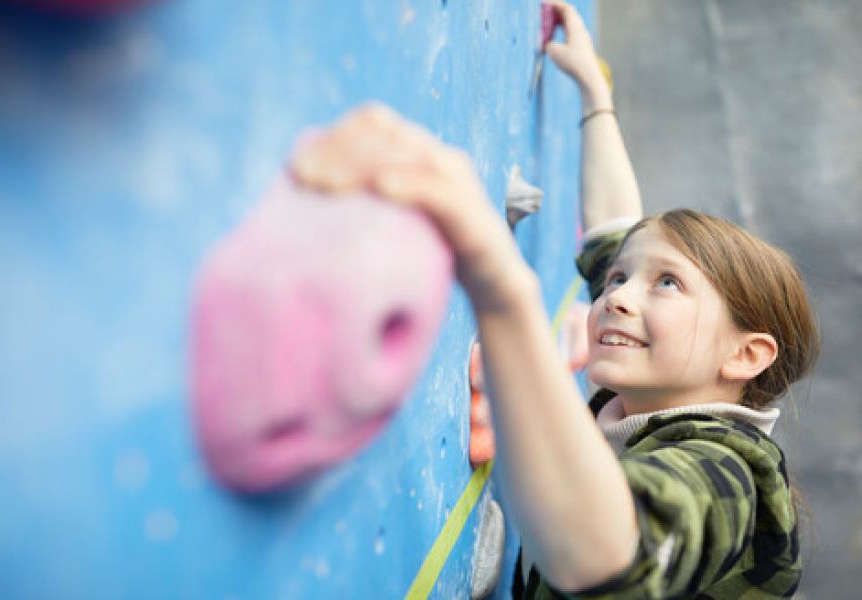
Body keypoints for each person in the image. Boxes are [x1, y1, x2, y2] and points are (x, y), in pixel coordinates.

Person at [290, 1, 820, 596]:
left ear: (745, 355)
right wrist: (595, 96)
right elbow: (615, 231)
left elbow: (610, 555)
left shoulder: (730, 473)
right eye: (618, 281)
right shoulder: (649, 389)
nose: (616, 297)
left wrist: (499, 287)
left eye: (667, 283)